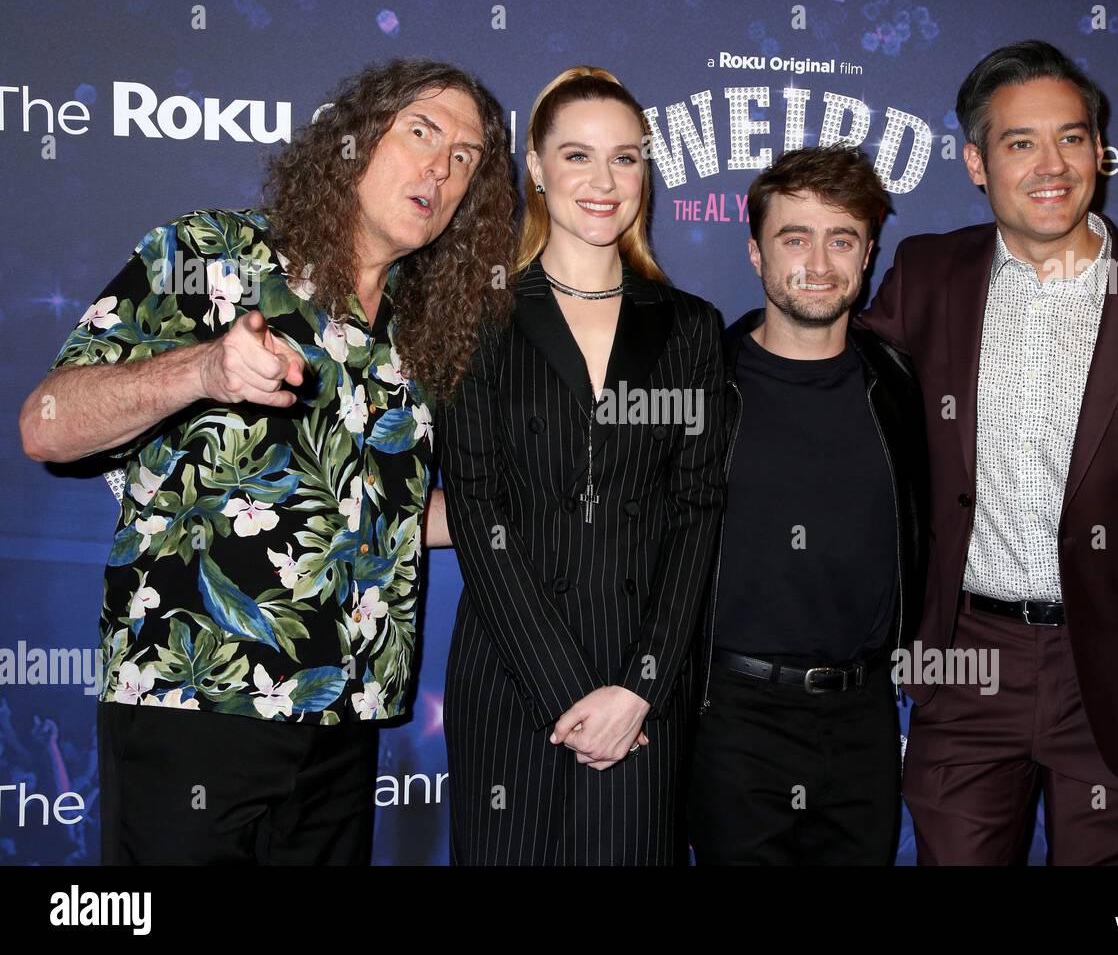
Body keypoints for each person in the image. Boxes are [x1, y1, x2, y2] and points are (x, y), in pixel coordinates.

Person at [18, 59, 515, 865]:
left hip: (343, 725)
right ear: (353, 141)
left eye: (466, 158)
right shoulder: (211, 252)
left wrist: (520, 515)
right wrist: (204, 370)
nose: (440, 166)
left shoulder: (422, 333)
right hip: (198, 706)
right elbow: (45, 426)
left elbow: (376, 516)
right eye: (421, 132)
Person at [859, 40, 1118, 864]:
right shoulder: (927, 274)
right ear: (977, 163)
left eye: (1072, 137)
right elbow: (834, 397)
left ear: (1098, 150)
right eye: (1020, 143)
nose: (1052, 165)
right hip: (969, 658)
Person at [438, 66, 727, 865]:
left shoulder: (689, 328)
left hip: (643, 691)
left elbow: (696, 509)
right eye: (577, 156)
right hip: (510, 676)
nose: (604, 182)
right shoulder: (482, 314)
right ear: (534, 166)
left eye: (626, 158)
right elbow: (474, 504)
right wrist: (568, 690)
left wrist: (638, 688)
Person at [688, 145, 927, 865]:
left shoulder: (901, 387)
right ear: (757, 254)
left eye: (841, 239)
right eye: (795, 238)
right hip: (733, 715)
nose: (819, 263)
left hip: (864, 717)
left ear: (868, 254)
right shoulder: (700, 386)